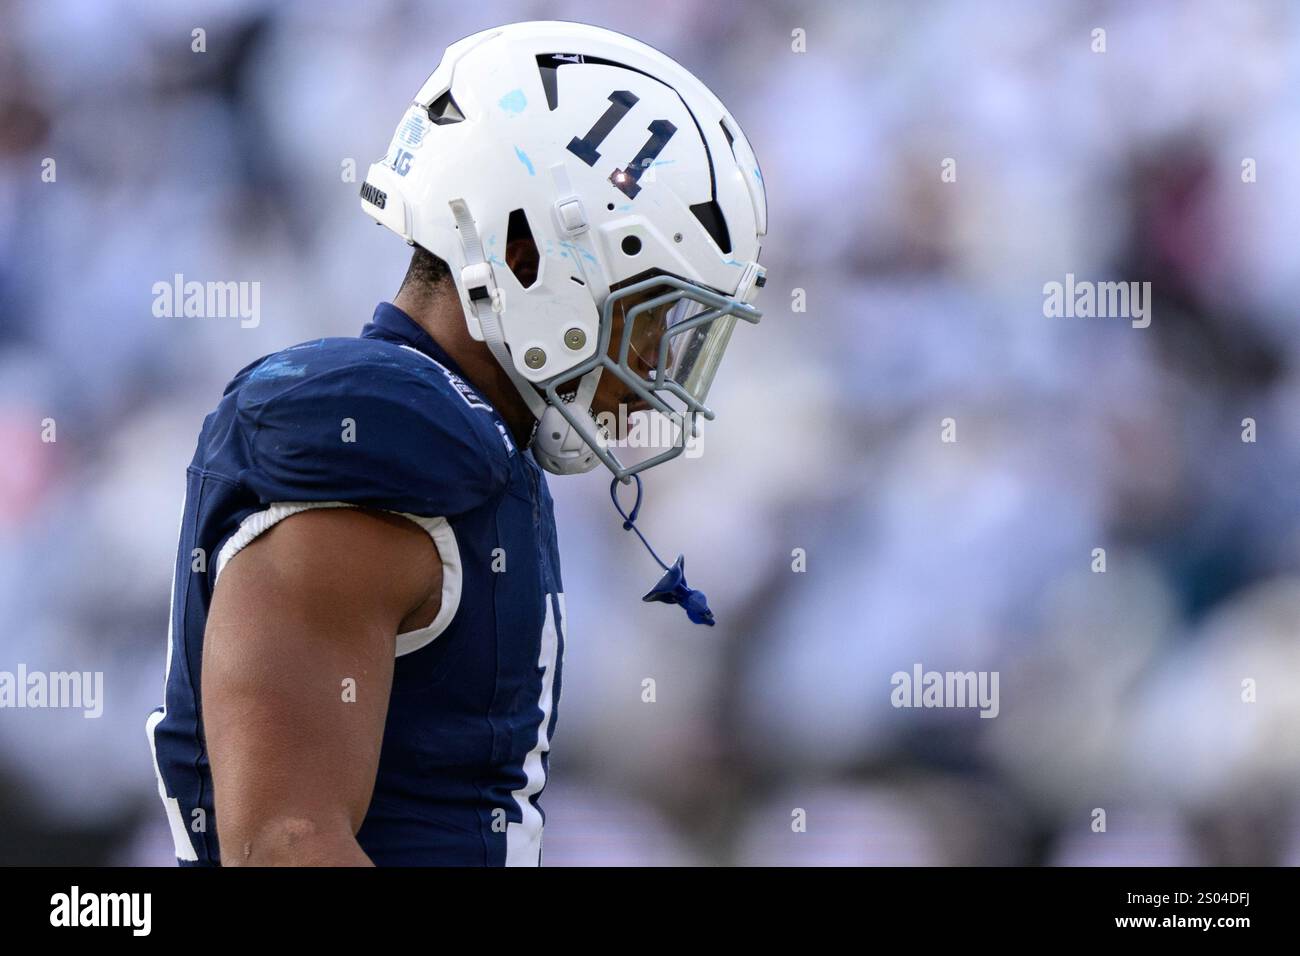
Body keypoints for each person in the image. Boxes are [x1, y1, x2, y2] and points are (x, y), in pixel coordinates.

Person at [146, 20, 767, 866]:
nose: (658, 363)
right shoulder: (387, 429)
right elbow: (287, 844)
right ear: (528, 256)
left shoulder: (474, 439)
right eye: (652, 314)